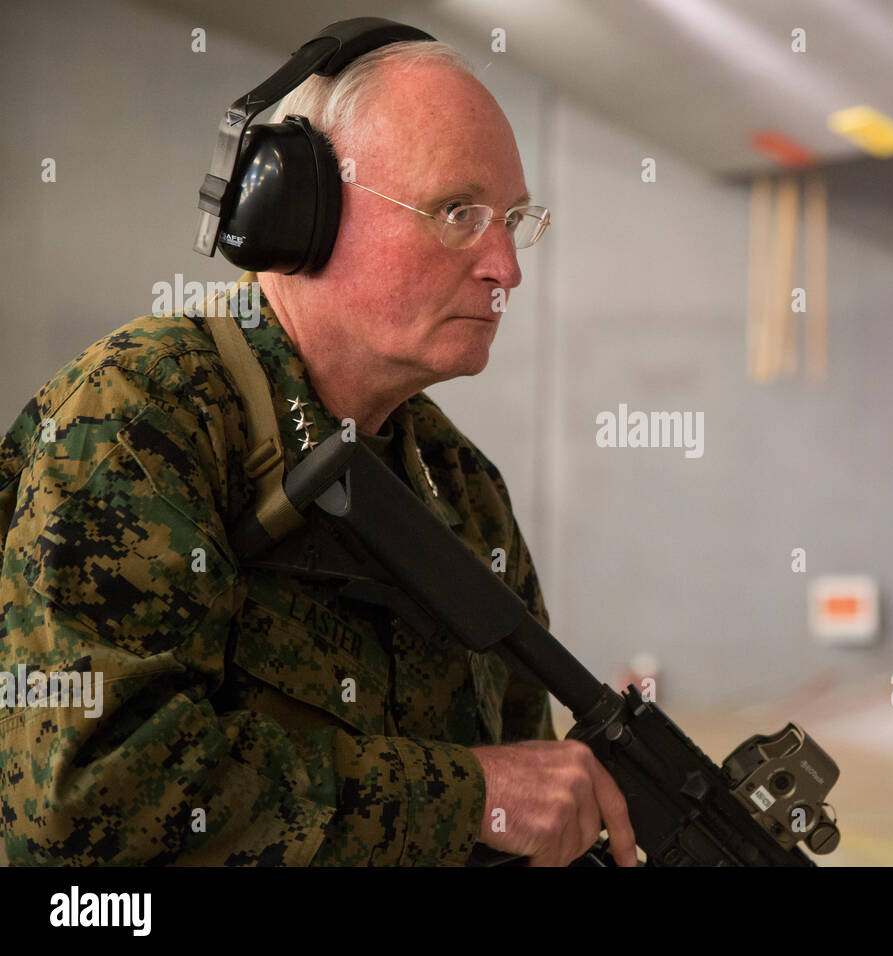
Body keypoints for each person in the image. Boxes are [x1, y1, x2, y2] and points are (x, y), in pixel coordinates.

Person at [0, 36, 635, 867]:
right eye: (458, 213)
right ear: (301, 213)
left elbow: (520, 811)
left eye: (513, 221)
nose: (506, 267)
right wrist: (466, 796)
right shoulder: (140, 415)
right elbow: (84, 810)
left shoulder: (461, 485)